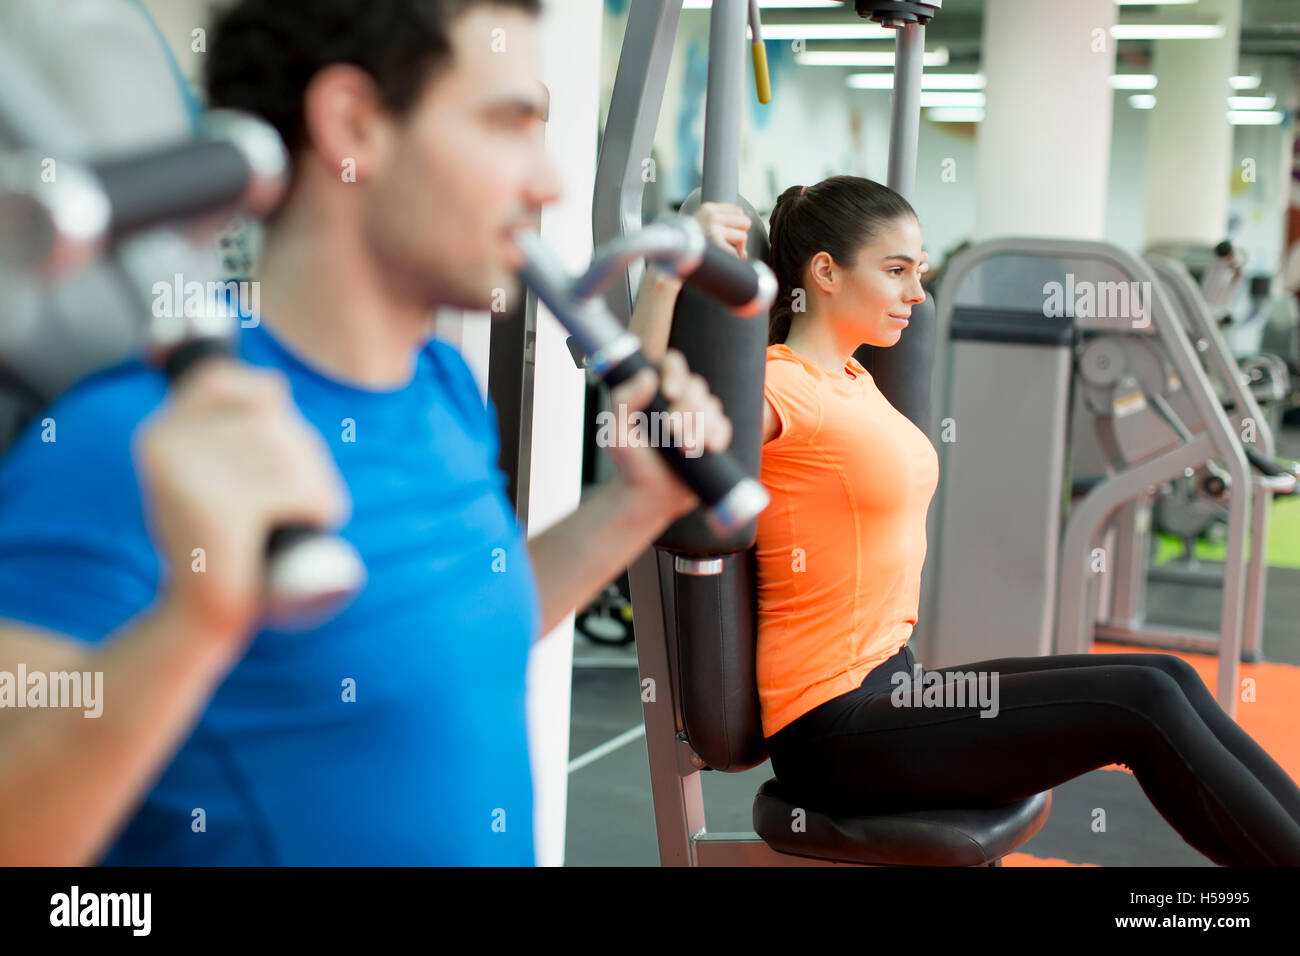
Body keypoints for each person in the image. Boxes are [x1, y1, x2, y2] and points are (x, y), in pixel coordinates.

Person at [0, 0, 732, 865]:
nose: (549, 185)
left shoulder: (443, 390)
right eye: (508, 124)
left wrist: (632, 508)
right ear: (352, 127)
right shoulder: (131, 439)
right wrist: (199, 621)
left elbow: (445, 630)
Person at [635, 174, 1300, 867]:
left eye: (918, 272)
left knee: (1168, 676)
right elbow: (657, 431)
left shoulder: (854, 380)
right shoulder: (782, 384)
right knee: (1141, 705)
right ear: (825, 273)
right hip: (831, 726)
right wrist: (664, 279)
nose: (917, 294)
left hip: (892, 684)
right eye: (895, 272)